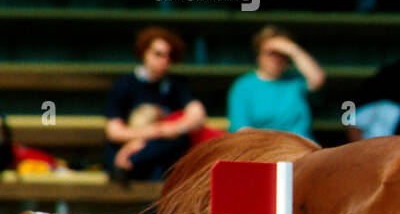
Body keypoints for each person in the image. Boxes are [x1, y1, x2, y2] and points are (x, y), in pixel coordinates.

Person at [103, 27, 208, 181]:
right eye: (158, 54)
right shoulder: (125, 84)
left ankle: (131, 160)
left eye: (168, 56)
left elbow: (197, 114)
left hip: (158, 155)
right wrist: (154, 133)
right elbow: (115, 132)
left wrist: (176, 128)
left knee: (177, 143)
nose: (164, 60)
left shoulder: (176, 84)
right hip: (135, 150)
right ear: (144, 52)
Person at [227, 27, 325, 140]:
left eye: (281, 54)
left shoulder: (296, 81)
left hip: (302, 148)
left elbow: (317, 79)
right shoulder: (243, 87)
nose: (276, 59)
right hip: (264, 150)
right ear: (258, 55)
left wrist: (292, 49)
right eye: (271, 53)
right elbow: (241, 130)